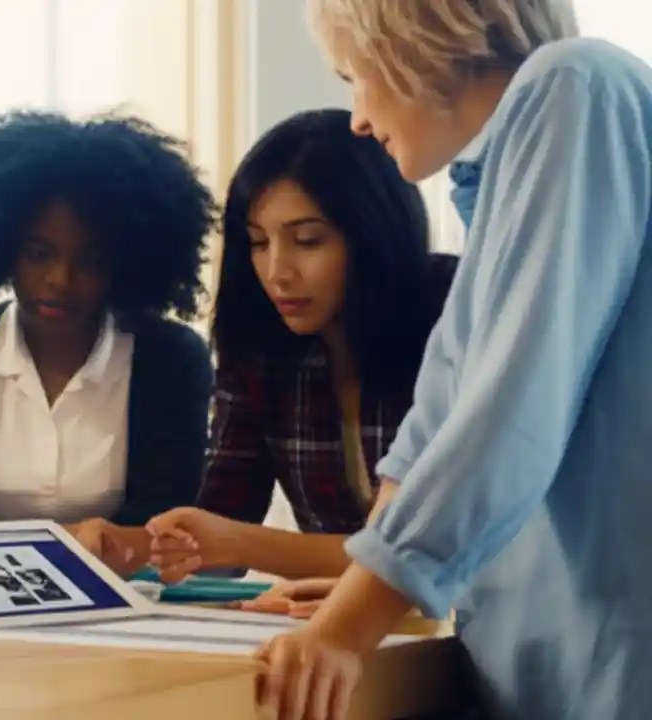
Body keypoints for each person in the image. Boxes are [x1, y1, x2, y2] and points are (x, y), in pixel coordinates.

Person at [156, 1, 652, 717]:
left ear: (413, 44)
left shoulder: (576, 85)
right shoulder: (495, 196)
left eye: (355, 76)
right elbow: (433, 429)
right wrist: (364, 589)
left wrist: (351, 624)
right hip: (546, 673)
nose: (358, 118)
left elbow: (510, 412)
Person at [0, 111, 215, 575]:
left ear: (125, 262)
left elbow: (171, 531)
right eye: (39, 254)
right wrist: (64, 543)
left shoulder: (170, 360)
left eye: (90, 260)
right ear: (3, 249)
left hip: (129, 601)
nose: (60, 279)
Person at [152, 109, 456, 583]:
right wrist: (169, 544)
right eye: (258, 243)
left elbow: (432, 551)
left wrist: (236, 542)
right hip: (337, 619)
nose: (277, 272)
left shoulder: (452, 312)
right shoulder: (261, 345)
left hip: (471, 618)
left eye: (308, 241)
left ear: (373, 232)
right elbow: (216, 534)